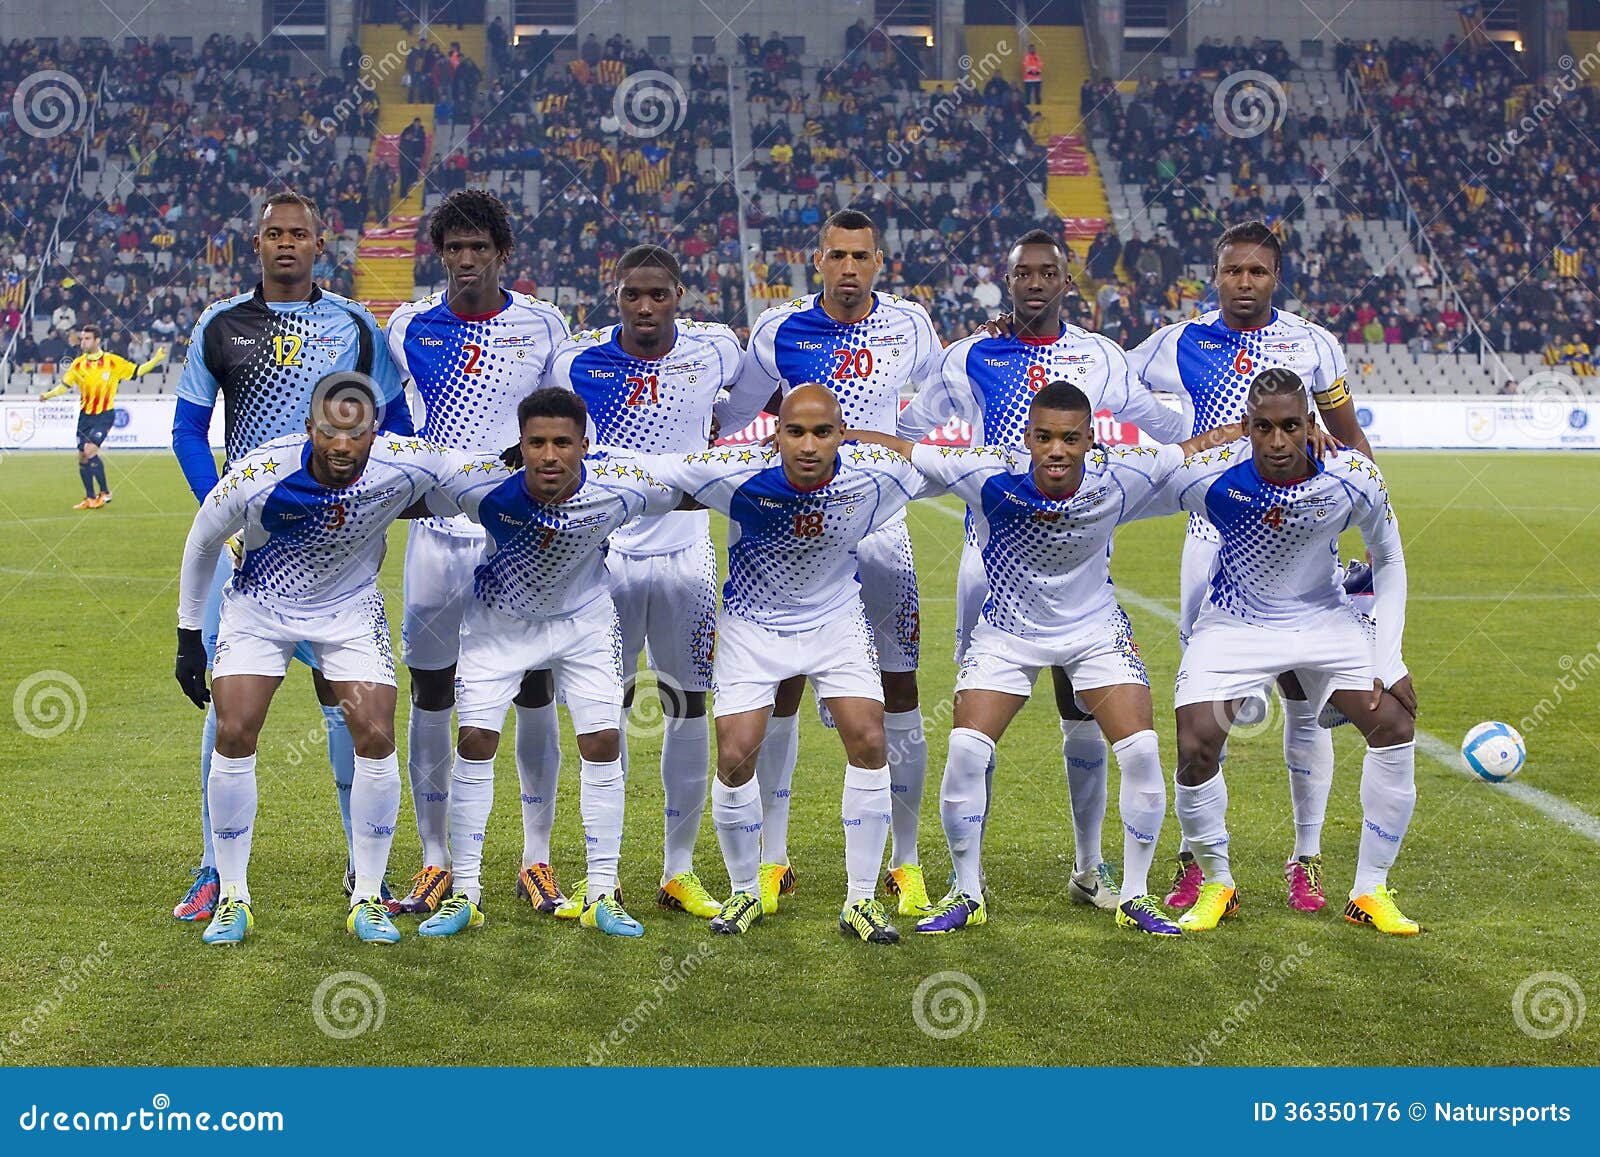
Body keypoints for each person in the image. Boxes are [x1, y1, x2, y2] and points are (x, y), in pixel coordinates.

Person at [849, 382, 1243, 935]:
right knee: (964, 750)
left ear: (1089, 439)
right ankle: (966, 893)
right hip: (1007, 633)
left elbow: (1201, 447)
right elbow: (906, 450)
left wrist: (1260, 430)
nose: (1056, 449)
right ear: (1028, 437)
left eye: (1070, 438)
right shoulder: (990, 474)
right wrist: (844, 434)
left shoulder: (1122, 474)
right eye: (1044, 437)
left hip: (1094, 631)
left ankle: (1134, 895)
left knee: (1142, 752)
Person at [898, 228, 1186, 912]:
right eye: (1021, 272)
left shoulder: (1102, 359)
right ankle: (969, 881)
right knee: (975, 726)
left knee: (1080, 710)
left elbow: (1167, 431)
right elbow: (909, 430)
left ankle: (1090, 868)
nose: (1033, 282)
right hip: (989, 564)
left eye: (1046, 272)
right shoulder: (967, 355)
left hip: (1081, 555)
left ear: (1066, 282)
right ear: (1007, 280)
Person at [169, 191, 411, 923]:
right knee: (227, 707)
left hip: (339, 552)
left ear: (319, 243)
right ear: (256, 243)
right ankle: (214, 869)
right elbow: (187, 428)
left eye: (298, 234)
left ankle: (358, 866)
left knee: (351, 710)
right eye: (273, 233)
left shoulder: (356, 327)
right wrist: (225, 508)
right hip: (251, 555)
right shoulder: (220, 324)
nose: (285, 245)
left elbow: (394, 426)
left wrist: (375, 499)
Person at [1126, 218, 1376, 914]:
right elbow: (1107, 376)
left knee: (1304, 698)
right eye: (1233, 270)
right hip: (1212, 537)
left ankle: (1307, 859)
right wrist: (1181, 437)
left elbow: (1351, 437)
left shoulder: (1311, 344)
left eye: (1257, 272)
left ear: (1276, 275)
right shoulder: (1182, 340)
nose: (1244, 282)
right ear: (1216, 273)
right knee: (1203, 709)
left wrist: (1361, 515)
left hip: (1300, 539)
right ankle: (1199, 858)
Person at [172, 373, 462, 945]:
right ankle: (233, 896)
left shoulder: (404, 461)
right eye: (328, 431)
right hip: (260, 607)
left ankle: (368, 896)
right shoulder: (260, 471)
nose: (340, 445)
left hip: (348, 611)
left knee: (376, 734)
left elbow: (478, 471)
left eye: (354, 434)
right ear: (309, 427)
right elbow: (204, 539)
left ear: (375, 434)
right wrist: (188, 636)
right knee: (233, 730)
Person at [639, 385, 929, 944]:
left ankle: (861, 901)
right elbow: (659, 470)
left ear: (842, 434)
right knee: (733, 753)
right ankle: (746, 891)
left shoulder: (874, 477)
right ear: (776, 437)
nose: (809, 445)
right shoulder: (734, 474)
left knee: (869, 737)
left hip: (837, 622)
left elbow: (946, 467)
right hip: (755, 626)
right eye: (796, 432)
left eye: (823, 432)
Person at [714, 209, 942, 919]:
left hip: (878, 531)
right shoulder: (781, 330)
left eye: (862, 256)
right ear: (819, 260)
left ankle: (903, 862)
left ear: (880, 261)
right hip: (795, 534)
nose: (849, 268)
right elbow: (737, 418)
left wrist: (886, 445)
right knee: (777, 687)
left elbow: (936, 406)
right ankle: (772, 860)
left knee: (897, 692)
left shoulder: (910, 325)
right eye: (837, 255)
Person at [1154, 368, 1417, 935]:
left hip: (1325, 619)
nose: (1278, 442)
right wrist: (1199, 443)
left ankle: (1369, 891)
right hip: (1234, 623)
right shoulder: (1212, 476)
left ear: (1310, 425)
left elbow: (1388, 560)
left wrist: (1386, 660)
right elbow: (1134, 486)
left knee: (1394, 720)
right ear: (1247, 426)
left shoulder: (1353, 477)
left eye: (1292, 426)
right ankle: (1218, 883)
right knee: (1195, 742)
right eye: (1265, 428)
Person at [415, 388, 684, 940]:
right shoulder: (481, 488)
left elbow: (690, 484)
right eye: (536, 443)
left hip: (583, 625)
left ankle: (603, 891)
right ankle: (465, 893)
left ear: (585, 445)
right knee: (475, 742)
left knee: (603, 741)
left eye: (563, 442)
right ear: (521, 444)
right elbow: (414, 482)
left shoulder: (620, 490)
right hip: (497, 626)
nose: (549, 455)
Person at [384, 189, 571, 918]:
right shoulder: (408, 327)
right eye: (453, 249)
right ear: (441, 255)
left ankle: (536, 856)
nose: (465, 260)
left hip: (518, 540)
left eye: (478, 248)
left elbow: (555, 425)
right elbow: (390, 416)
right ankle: (434, 856)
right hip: (435, 538)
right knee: (432, 690)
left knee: (533, 692)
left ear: (502, 254)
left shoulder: (542, 325)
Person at [544, 245, 741, 921]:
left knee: (689, 708)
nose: (646, 307)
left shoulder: (716, 350)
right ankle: (601, 876)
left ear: (679, 294)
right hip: (607, 558)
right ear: (617, 296)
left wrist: (718, 438)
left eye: (658, 294)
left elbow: (750, 401)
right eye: (633, 295)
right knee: (604, 713)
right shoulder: (579, 361)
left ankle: (678, 870)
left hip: (687, 556)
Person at [40, 323, 166, 509]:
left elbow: (137, 371)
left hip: (104, 414)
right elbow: (64, 387)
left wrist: (156, 359)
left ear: (97, 340)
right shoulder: (78, 364)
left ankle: (105, 492)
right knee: (82, 456)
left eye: (87, 338)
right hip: (85, 416)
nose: (83, 341)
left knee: (90, 450)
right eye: (82, 338)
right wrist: (48, 395)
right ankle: (90, 498)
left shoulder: (112, 361)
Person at [398, 118, 428, 198]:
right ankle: (403, 193)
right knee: (404, 178)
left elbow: (422, 144)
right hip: (405, 162)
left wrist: (419, 155)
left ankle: (406, 191)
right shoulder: (404, 143)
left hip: (411, 160)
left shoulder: (421, 132)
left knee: (408, 177)